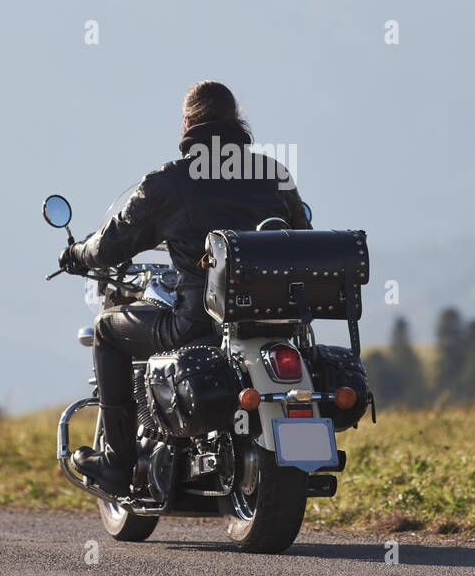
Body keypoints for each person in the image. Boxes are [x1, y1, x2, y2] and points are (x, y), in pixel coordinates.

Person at [57, 80, 309, 495]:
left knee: (106, 329)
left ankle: (118, 463)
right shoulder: (273, 174)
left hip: (196, 323)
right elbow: (302, 238)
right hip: (273, 322)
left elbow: (112, 244)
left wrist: (76, 254)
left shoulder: (169, 182)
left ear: (189, 121)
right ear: (236, 121)